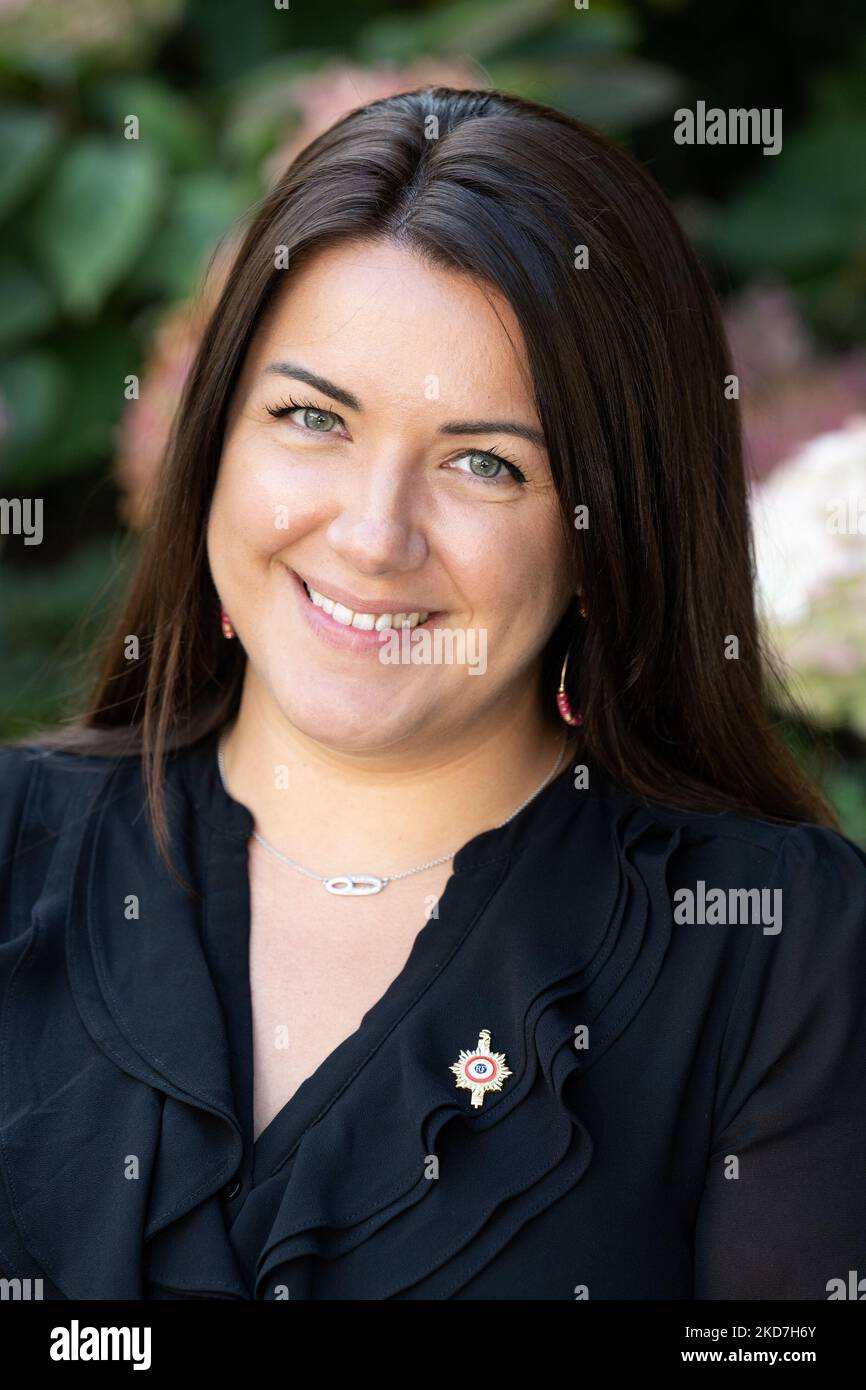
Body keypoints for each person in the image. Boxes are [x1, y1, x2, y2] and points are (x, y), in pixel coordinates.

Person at [1, 85, 864, 1301]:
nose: (370, 534)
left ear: (606, 526)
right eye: (311, 418)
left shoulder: (772, 953)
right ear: (213, 448)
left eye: (482, 462)